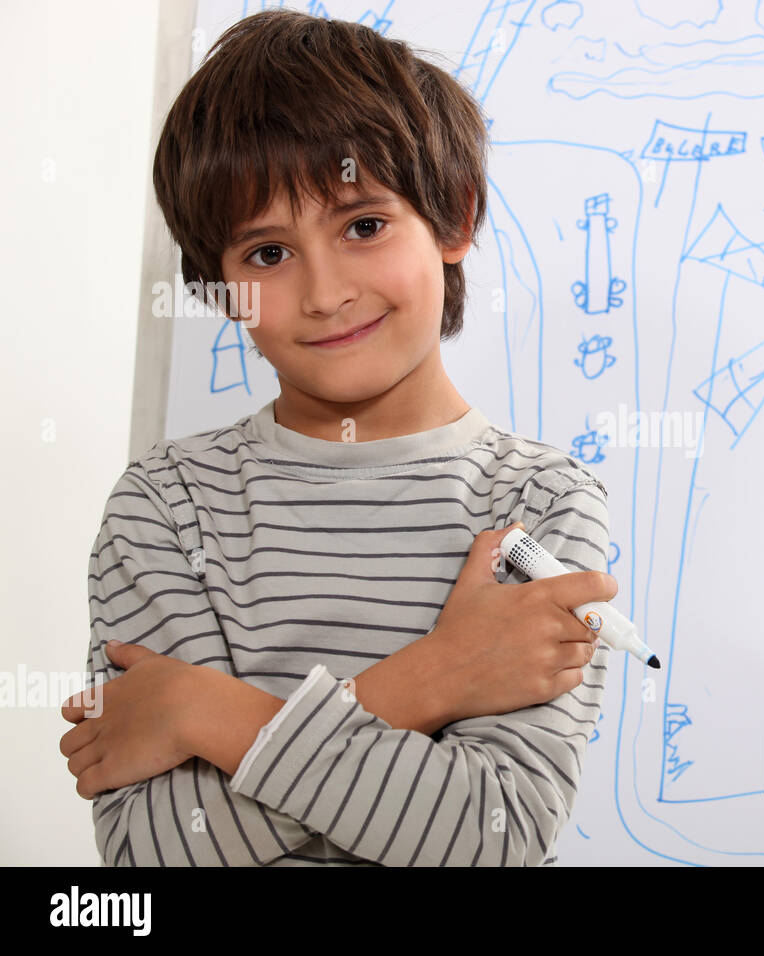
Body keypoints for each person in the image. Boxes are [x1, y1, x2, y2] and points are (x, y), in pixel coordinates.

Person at [57, 8, 616, 866]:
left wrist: (207, 714)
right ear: (220, 285)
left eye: (363, 226)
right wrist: (437, 678)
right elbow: (157, 852)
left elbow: (491, 834)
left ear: (455, 217)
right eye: (268, 254)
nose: (324, 293)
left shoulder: (538, 505)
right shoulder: (166, 507)